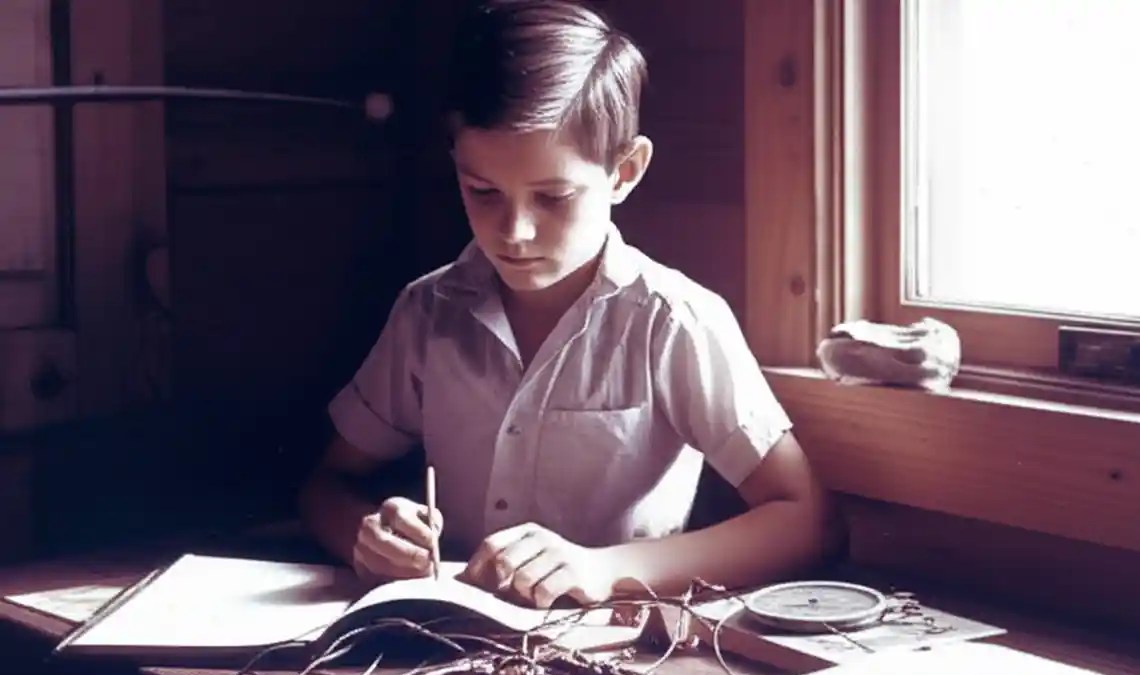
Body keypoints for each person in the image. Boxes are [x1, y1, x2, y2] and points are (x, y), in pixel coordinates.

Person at [298, 0, 840, 609]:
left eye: (553, 197)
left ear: (624, 171)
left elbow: (807, 521)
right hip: (449, 647)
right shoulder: (428, 313)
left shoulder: (673, 321)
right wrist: (364, 538)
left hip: (613, 656)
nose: (515, 232)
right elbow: (326, 485)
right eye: (482, 192)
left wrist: (603, 569)